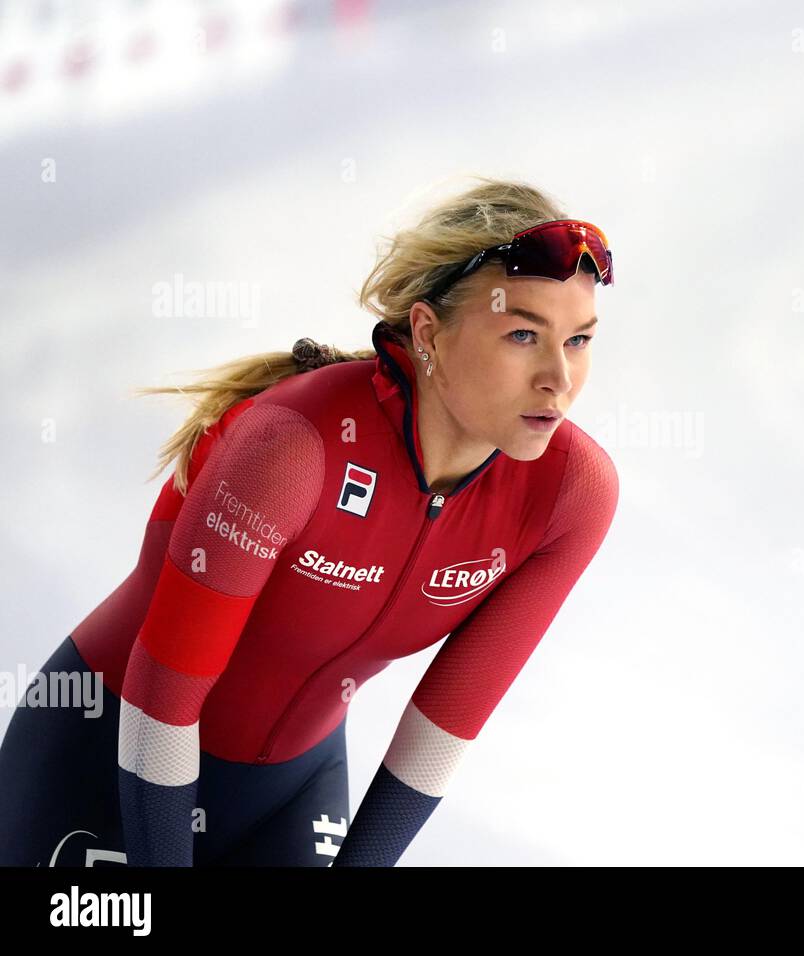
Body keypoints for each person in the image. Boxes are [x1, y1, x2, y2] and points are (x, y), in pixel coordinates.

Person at [0, 177, 619, 867]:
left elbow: (445, 726)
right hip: (109, 754)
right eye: (523, 334)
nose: (558, 379)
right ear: (427, 333)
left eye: (579, 340)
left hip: (291, 791)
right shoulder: (295, 450)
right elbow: (162, 698)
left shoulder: (571, 492)